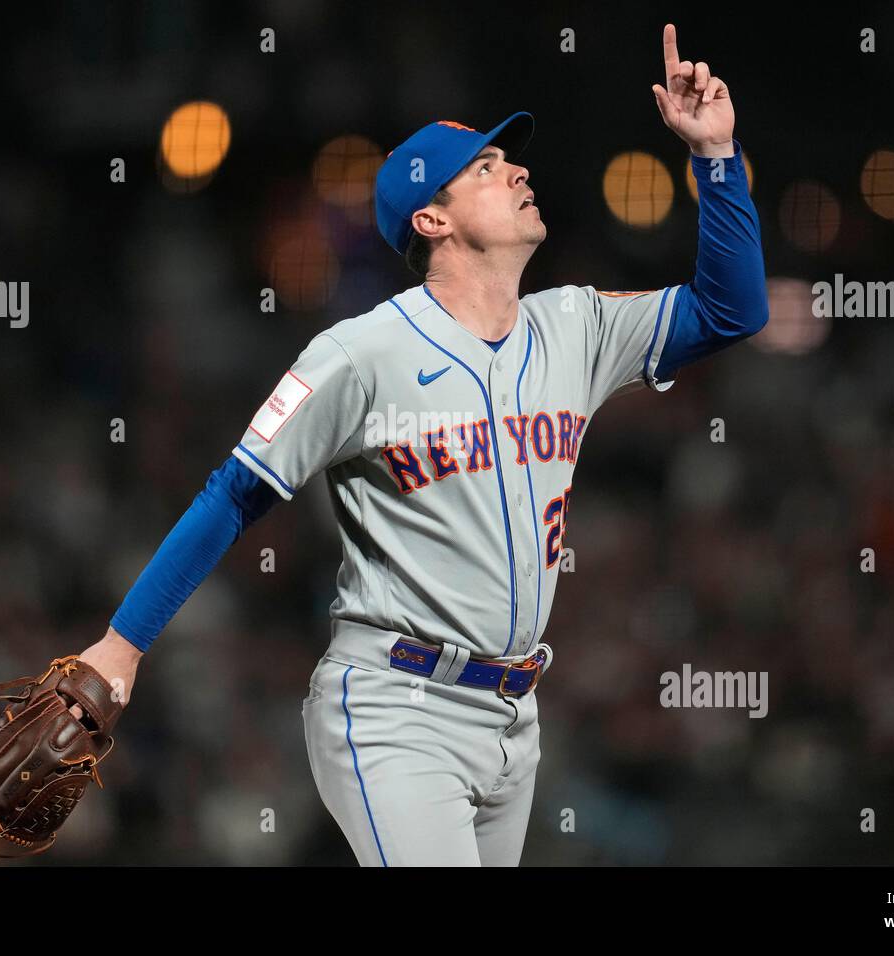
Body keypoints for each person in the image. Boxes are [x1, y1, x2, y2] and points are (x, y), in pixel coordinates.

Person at [72, 23, 767, 865]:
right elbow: (235, 491)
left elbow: (732, 311)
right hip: (395, 707)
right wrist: (122, 642)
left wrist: (717, 158)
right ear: (431, 217)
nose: (515, 168)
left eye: (509, 159)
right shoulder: (359, 354)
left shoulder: (576, 325)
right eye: (485, 166)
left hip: (516, 714)